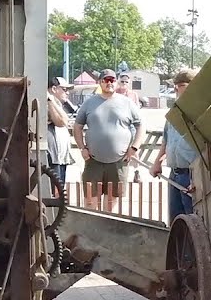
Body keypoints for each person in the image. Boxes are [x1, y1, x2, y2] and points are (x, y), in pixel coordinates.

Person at [72, 69, 142, 211]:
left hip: (119, 161)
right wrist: (82, 148)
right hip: (93, 160)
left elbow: (140, 125)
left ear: (116, 83)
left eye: (112, 80)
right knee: (91, 202)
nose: (109, 83)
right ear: (100, 82)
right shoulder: (89, 103)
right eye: (106, 80)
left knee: (111, 203)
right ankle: (91, 229)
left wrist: (134, 147)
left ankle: (106, 228)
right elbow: (77, 127)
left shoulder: (127, 103)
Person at [151, 69, 198, 219]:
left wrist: (199, 179)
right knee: (176, 219)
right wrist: (157, 162)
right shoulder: (174, 111)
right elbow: (166, 139)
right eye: (175, 86)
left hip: (191, 175)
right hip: (174, 174)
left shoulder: (200, 110)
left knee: (192, 220)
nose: (175, 89)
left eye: (181, 85)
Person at [46, 77, 77, 183]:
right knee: (54, 193)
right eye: (64, 89)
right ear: (54, 89)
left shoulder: (58, 105)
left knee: (60, 193)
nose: (67, 93)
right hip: (53, 158)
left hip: (61, 159)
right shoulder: (48, 104)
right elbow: (62, 121)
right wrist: (50, 100)